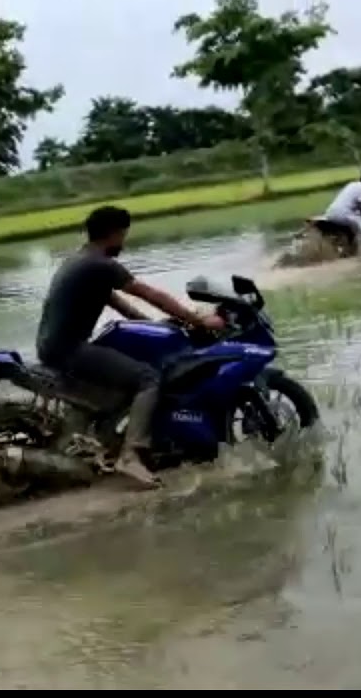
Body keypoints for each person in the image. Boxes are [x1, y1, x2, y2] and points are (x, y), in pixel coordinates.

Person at [35, 205, 226, 490]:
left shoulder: (80, 260)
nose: (124, 242)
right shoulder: (101, 264)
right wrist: (199, 320)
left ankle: (102, 437)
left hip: (53, 346)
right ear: (113, 234)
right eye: (124, 235)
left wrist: (154, 326)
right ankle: (131, 454)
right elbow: (150, 294)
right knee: (148, 378)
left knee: (125, 372)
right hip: (69, 350)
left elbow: (116, 302)